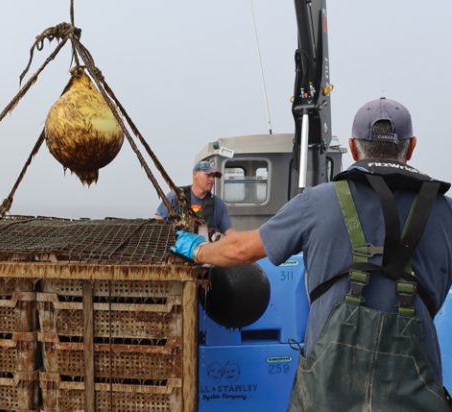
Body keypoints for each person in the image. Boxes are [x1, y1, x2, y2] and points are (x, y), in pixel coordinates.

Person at [171, 97, 452, 411]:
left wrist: (197, 248)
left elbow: (241, 250)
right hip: (414, 391)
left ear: (354, 147)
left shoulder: (317, 202)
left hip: (328, 392)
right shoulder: (445, 211)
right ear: (410, 147)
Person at [154, 160, 234, 236]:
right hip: (175, 248)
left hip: (205, 248)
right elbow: (157, 220)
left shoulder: (218, 204)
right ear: (195, 174)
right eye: (208, 175)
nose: (212, 179)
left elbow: (229, 233)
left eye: (213, 176)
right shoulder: (175, 196)